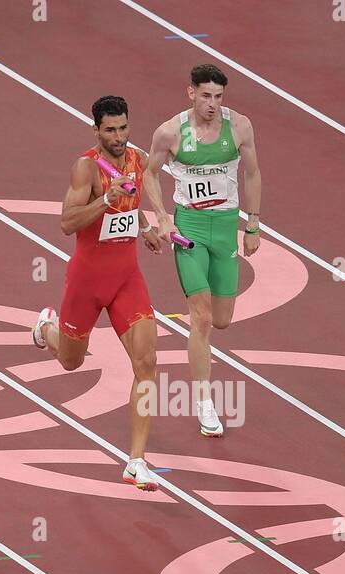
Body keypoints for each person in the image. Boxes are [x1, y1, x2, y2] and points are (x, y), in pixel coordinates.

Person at [31, 95, 165, 490]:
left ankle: (136, 461)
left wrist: (144, 228)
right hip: (88, 281)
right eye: (110, 130)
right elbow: (67, 223)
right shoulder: (86, 168)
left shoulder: (138, 160)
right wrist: (104, 200)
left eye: (123, 127)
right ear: (96, 130)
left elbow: (133, 203)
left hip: (126, 278)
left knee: (148, 362)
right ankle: (46, 330)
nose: (119, 136)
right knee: (71, 361)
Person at [144, 63, 262, 437]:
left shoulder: (239, 126)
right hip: (190, 229)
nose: (212, 103)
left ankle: (204, 392)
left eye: (218, 97)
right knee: (202, 317)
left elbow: (253, 173)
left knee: (223, 317)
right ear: (191, 93)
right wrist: (163, 217)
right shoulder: (169, 133)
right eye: (206, 95)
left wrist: (253, 223)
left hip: (226, 228)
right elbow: (148, 173)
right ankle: (205, 403)